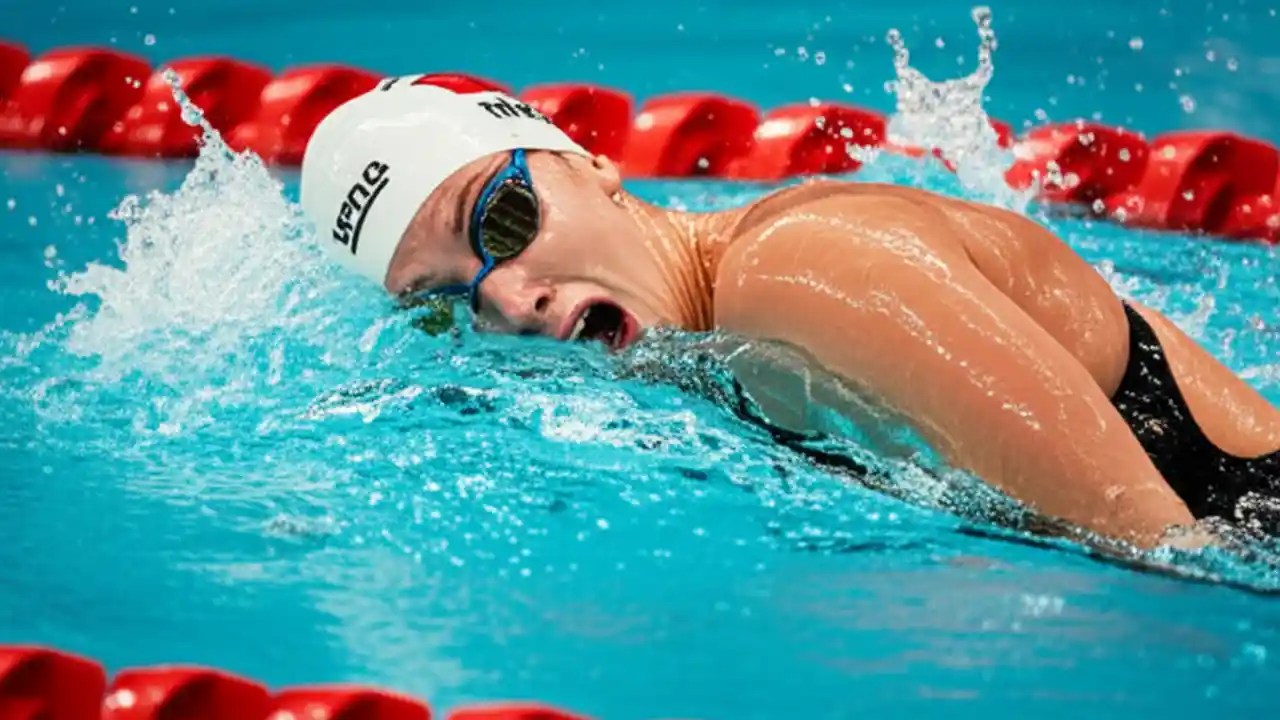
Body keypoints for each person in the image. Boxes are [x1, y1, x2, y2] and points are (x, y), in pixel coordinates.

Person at [299, 76, 1280, 548]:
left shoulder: (800, 270)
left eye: (500, 216)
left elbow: (1165, 553)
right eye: (443, 301)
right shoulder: (709, 341)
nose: (510, 301)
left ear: (593, 166)